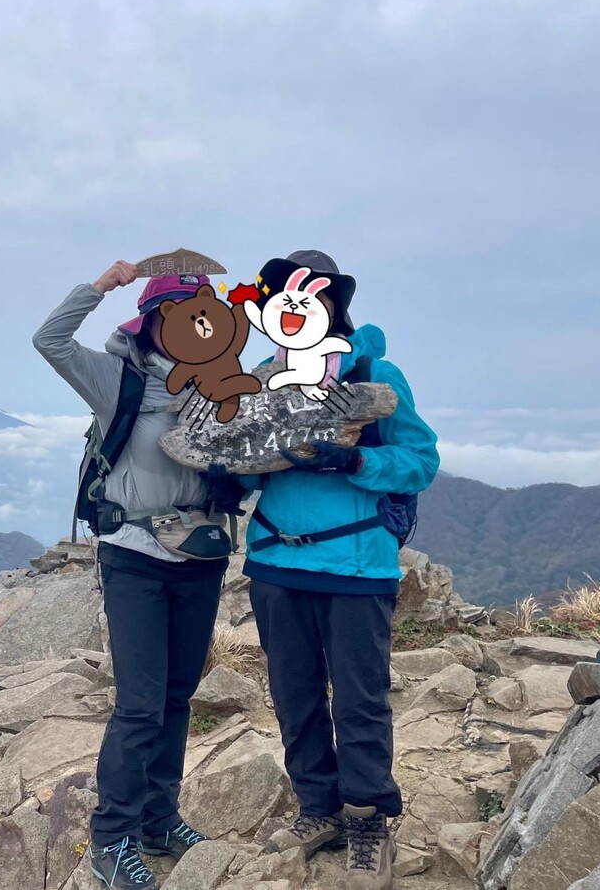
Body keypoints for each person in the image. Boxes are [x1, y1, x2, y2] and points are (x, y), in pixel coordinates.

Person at [236, 249, 440, 890]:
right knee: (294, 696)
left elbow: (421, 461)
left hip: (356, 564)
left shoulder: (376, 375)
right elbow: (237, 457)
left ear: (334, 305)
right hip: (273, 560)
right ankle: (316, 808)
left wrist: (354, 465)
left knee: (358, 700)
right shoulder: (262, 378)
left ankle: (367, 820)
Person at [33, 260, 233, 890]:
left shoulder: (215, 388)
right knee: (141, 705)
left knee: (177, 697)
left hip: (200, 555)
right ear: (151, 325)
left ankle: (159, 818)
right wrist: (101, 285)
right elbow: (50, 341)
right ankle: (112, 838)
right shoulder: (114, 382)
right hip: (135, 557)